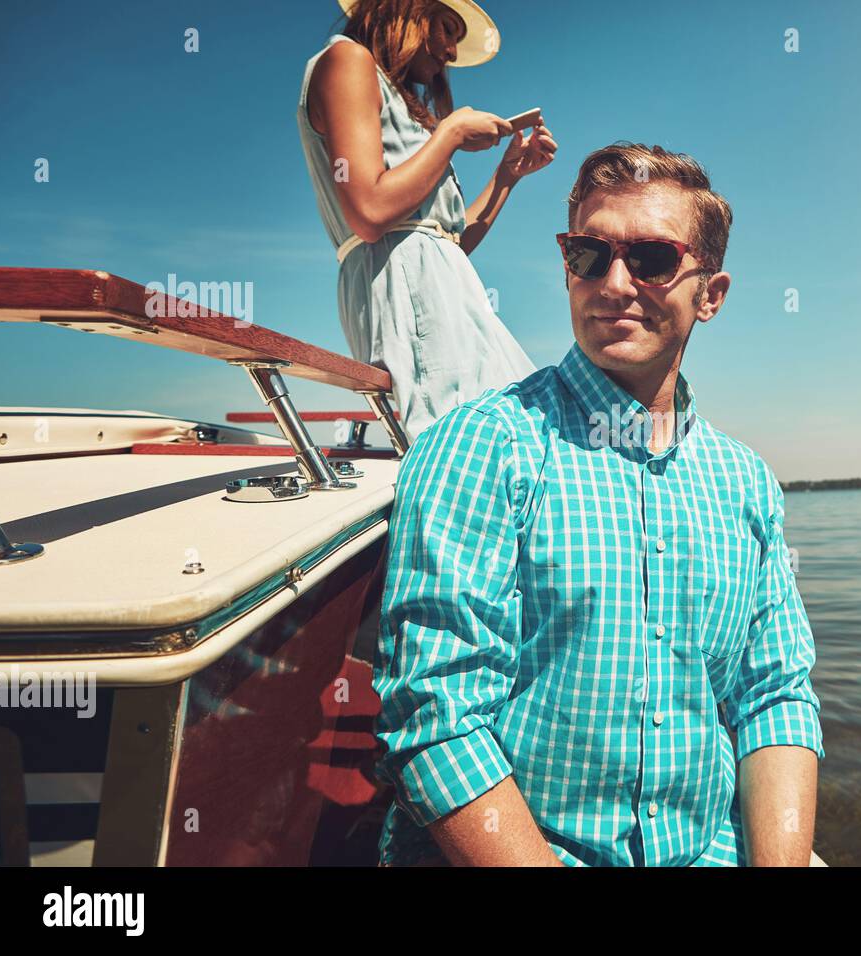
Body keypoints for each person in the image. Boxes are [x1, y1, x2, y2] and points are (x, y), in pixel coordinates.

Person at [374, 143, 826, 866]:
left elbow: (772, 696)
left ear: (710, 294)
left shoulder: (745, 481)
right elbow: (436, 718)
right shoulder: (483, 446)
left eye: (649, 258)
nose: (613, 283)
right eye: (588, 254)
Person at [297, 0, 557, 443]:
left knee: (525, 437)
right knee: (473, 448)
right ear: (405, 9)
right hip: (407, 295)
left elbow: (444, 242)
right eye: (447, 29)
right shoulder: (346, 58)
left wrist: (506, 177)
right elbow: (369, 211)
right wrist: (451, 134)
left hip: (447, 294)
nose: (452, 54)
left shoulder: (392, 91)